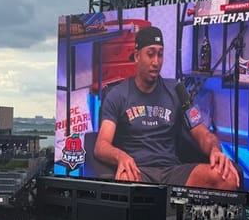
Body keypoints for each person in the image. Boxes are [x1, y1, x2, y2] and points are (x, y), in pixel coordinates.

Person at [94, 26, 241, 189]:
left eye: (160, 54)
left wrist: (215, 149)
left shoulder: (177, 91)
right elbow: (101, 145)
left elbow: (202, 133)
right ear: (137, 56)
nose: (156, 62)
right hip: (137, 170)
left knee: (227, 178)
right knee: (124, 181)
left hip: (173, 172)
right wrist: (120, 157)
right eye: (150, 54)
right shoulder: (117, 95)